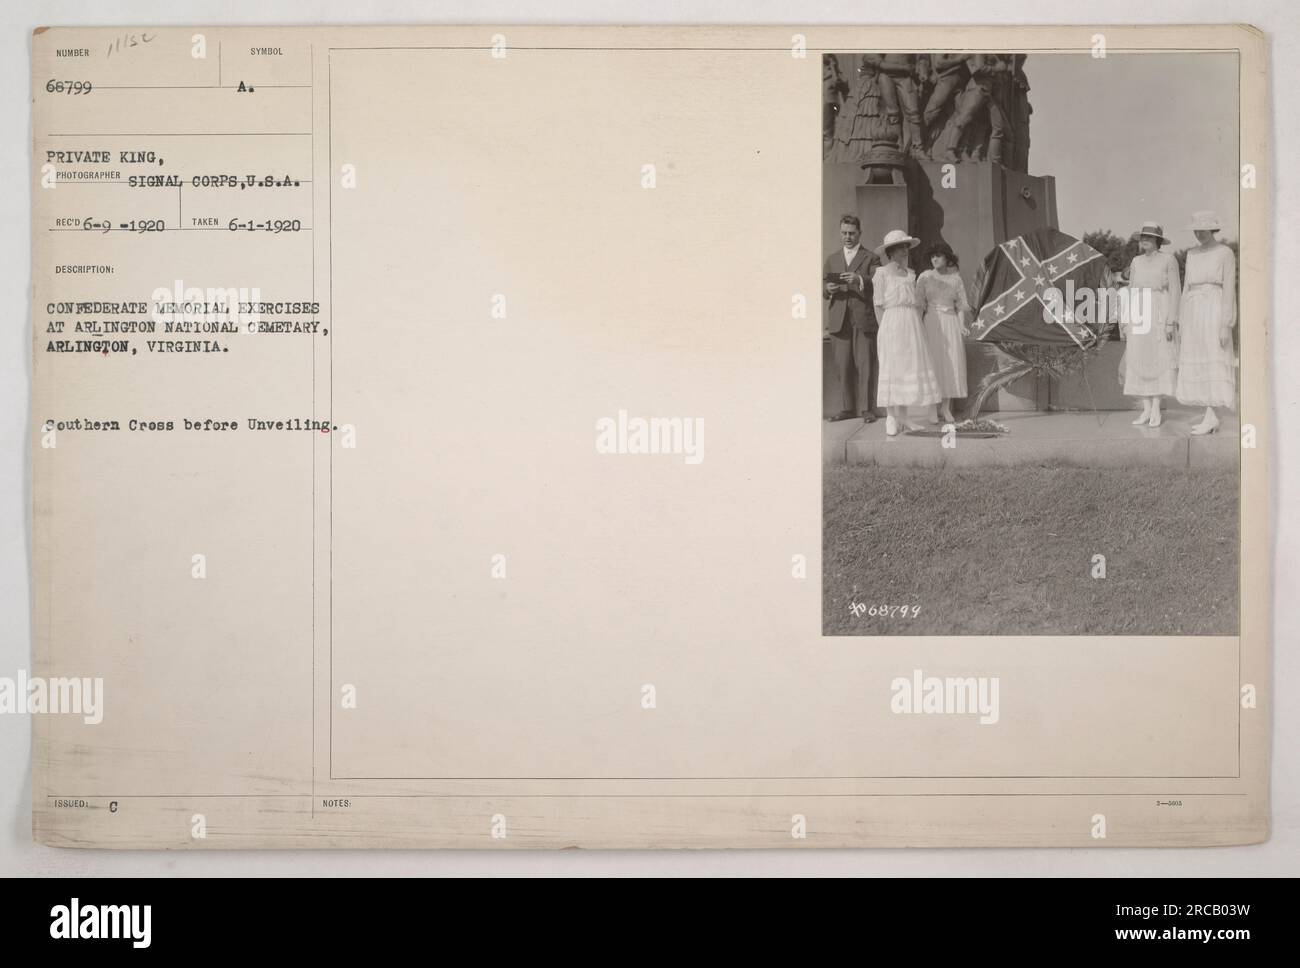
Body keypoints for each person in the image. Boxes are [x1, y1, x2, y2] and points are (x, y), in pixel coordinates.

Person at [872, 229, 942, 436]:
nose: (905, 250)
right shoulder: (881, 274)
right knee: (892, 368)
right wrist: (883, 331)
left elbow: (917, 304)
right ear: (891, 251)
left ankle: (904, 417)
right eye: (901, 247)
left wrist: (916, 325)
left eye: (906, 247)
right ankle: (891, 417)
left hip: (910, 325)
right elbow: (878, 305)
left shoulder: (911, 274)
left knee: (907, 368)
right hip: (891, 324)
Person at [1174, 211, 1237, 434]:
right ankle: (1210, 414)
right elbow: (1186, 287)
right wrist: (1181, 319)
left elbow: (1229, 288)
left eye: (1203, 229)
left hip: (1214, 307)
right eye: (1196, 229)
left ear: (1212, 229)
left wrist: (1225, 324)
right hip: (1193, 309)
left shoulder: (1225, 253)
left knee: (1213, 354)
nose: (1199, 233)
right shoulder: (1191, 254)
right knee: (1197, 356)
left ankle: (1212, 416)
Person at [1120, 222, 1181, 428]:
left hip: (1159, 311)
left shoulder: (1168, 260)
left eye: (1148, 238)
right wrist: (1126, 320)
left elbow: (1174, 291)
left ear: (1157, 241)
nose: (1144, 241)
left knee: (1158, 357)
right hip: (1139, 311)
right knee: (1139, 357)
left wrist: (1171, 321)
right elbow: (1130, 290)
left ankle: (1156, 408)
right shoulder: (1136, 261)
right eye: (1142, 237)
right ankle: (1145, 409)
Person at [823, 214, 882, 422]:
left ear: (859, 233)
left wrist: (859, 278)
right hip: (839, 319)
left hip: (862, 318)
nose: (847, 237)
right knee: (843, 366)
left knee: (865, 364)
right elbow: (823, 288)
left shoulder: (871, 258)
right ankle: (847, 408)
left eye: (851, 233)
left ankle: (867, 409)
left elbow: (878, 282)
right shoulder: (831, 259)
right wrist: (827, 289)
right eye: (844, 233)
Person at [916, 242, 971, 424]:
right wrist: (918, 326)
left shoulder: (956, 279)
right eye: (932, 256)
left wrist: (962, 325)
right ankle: (932, 408)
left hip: (950, 323)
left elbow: (961, 306)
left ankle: (945, 408)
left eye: (938, 256)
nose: (935, 259)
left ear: (947, 258)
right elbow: (919, 304)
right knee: (932, 363)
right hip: (931, 321)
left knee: (950, 363)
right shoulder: (924, 277)